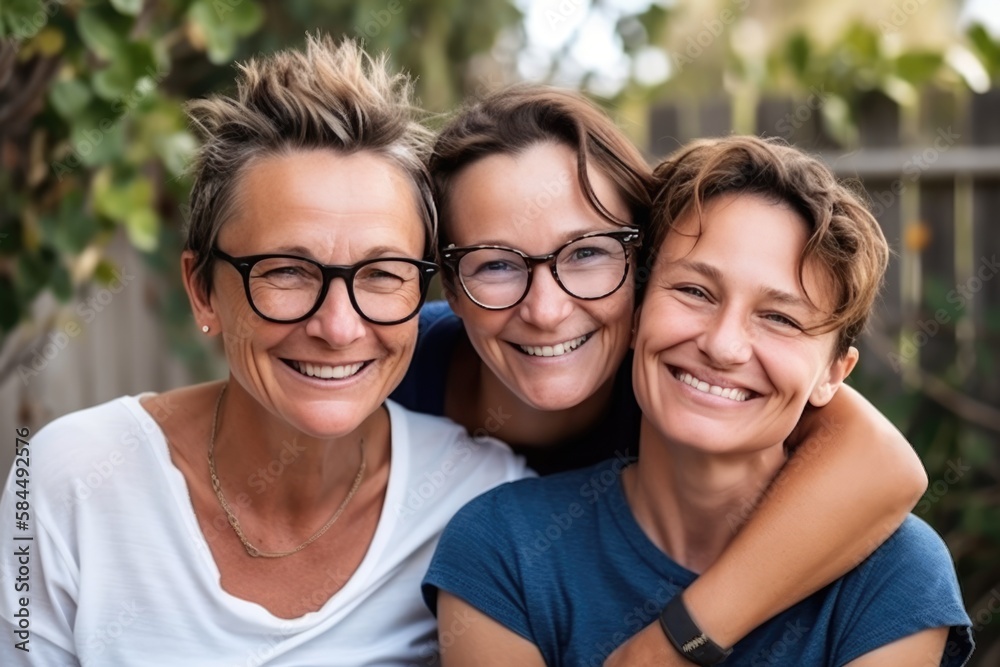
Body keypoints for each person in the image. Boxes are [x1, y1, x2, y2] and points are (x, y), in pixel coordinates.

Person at [0, 36, 527, 665]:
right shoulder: (67, 481)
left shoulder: (481, 500)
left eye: (383, 274)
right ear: (202, 292)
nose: (338, 326)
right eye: (286, 272)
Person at [392, 86, 931, 661]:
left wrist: (673, 643)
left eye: (587, 253)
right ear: (449, 284)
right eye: (496, 264)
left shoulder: (691, 376)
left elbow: (883, 465)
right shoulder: (380, 361)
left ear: (638, 268)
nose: (546, 311)